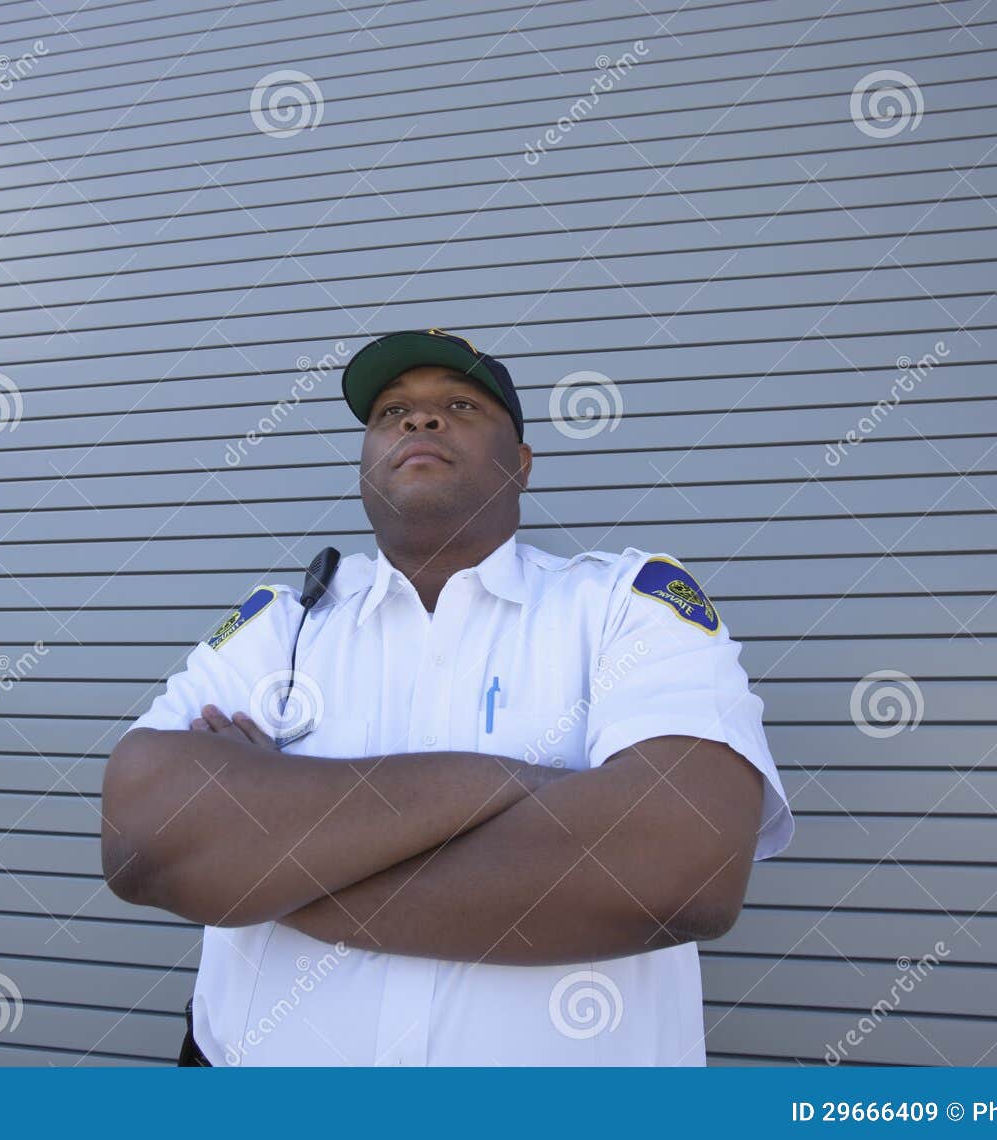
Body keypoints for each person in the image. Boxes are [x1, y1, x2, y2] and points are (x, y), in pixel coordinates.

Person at [102, 327, 793, 1066]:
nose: (418, 419)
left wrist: (266, 867)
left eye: (460, 403)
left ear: (522, 465)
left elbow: (681, 867)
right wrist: (511, 786)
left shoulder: (626, 602)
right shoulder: (279, 622)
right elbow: (144, 833)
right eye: (389, 411)